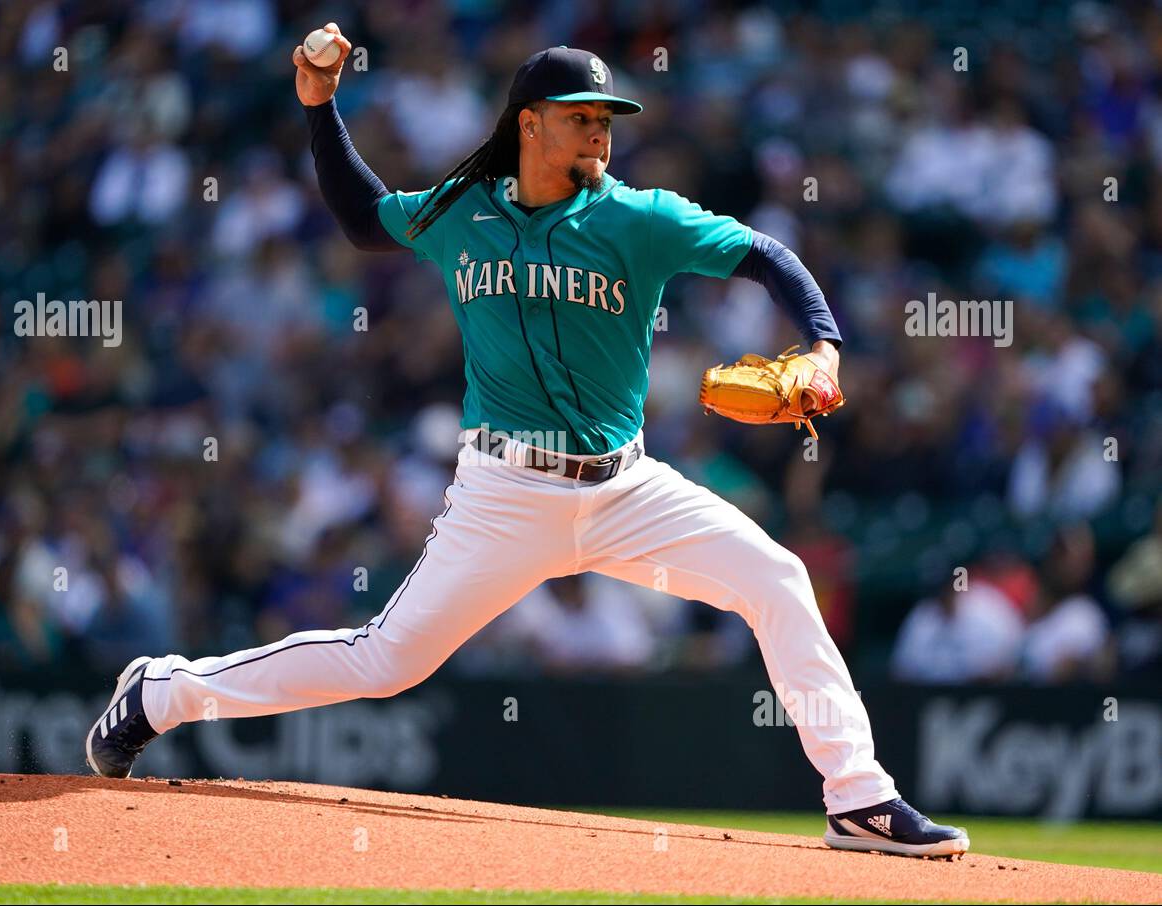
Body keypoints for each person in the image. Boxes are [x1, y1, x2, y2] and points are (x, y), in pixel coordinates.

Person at [86, 26, 969, 859]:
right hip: (504, 495)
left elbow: (768, 254)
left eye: (607, 120)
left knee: (777, 578)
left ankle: (857, 796)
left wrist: (822, 346)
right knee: (385, 662)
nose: (599, 134)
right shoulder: (464, 210)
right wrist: (319, 106)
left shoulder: (641, 218)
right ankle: (162, 692)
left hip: (627, 491)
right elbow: (366, 220)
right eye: (582, 118)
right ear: (529, 124)